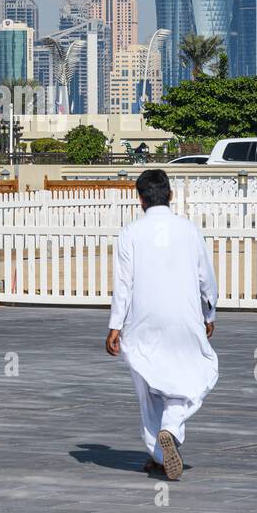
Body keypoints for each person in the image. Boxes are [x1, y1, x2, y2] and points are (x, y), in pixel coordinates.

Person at [106, 169, 218, 481]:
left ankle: (158, 452)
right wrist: (209, 313)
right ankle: (170, 429)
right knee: (188, 380)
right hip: (185, 317)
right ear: (170, 195)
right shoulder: (189, 229)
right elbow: (205, 278)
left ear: (139, 199)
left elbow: (123, 284)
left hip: (142, 320)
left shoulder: (131, 232)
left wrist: (115, 326)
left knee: (147, 389)